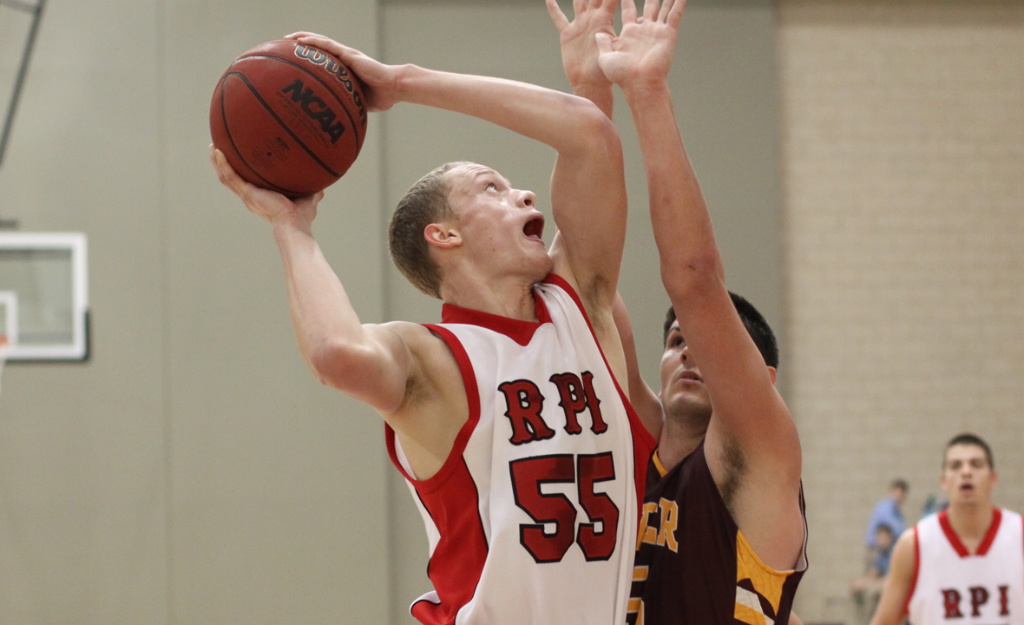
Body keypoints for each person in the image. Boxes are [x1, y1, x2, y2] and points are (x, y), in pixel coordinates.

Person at [210, 29, 655, 625]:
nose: (523, 192)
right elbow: (336, 353)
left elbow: (590, 134)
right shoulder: (431, 356)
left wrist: (399, 83)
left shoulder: (582, 306)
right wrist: (292, 228)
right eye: (491, 188)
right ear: (444, 235)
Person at [545, 1, 807, 623]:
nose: (688, 347)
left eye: (711, 343)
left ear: (762, 381)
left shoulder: (759, 453)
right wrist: (588, 94)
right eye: (674, 341)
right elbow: (584, 281)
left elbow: (695, 281)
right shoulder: (634, 445)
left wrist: (646, 91)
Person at [869, 433, 1024, 625]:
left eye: (976, 464)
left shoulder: (1019, 535)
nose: (966, 472)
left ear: (993, 478)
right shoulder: (914, 545)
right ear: (943, 481)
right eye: (955, 466)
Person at [851, 523, 895, 625]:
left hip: (892, 586)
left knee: (872, 593)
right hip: (881, 584)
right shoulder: (880, 554)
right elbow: (873, 575)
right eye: (879, 538)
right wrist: (862, 583)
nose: (881, 541)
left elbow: (893, 579)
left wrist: (872, 584)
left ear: (890, 538)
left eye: (883, 538)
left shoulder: (895, 552)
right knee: (858, 591)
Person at [865, 478, 909, 553]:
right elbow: (873, 537)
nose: (899, 495)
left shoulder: (899, 514)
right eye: (897, 492)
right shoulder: (884, 509)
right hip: (881, 556)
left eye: (901, 493)